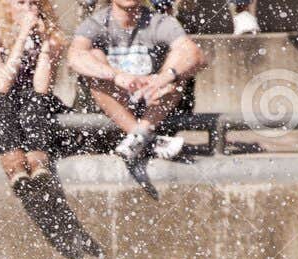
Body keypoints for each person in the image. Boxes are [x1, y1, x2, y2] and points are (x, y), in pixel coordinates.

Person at [66, 0, 206, 163]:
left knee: (177, 67)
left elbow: (196, 56)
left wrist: (161, 79)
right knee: (95, 57)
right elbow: (74, 57)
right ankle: (148, 140)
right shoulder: (95, 23)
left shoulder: (159, 22)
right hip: (111, 113)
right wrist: (116, 76)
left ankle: (138, 137)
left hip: (153, 107)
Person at [0, 0, 67, 187]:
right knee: (4, 99)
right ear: (6, 6)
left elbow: (41, 88)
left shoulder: (52, 39)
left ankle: (37, 159)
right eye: (21, 2)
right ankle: (13, 161)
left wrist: (44, 44)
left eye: (33, 3)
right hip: (2, 104)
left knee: (33, 98)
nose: (28, 9)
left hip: (35, 107)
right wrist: (22, 36)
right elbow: (1, 84)